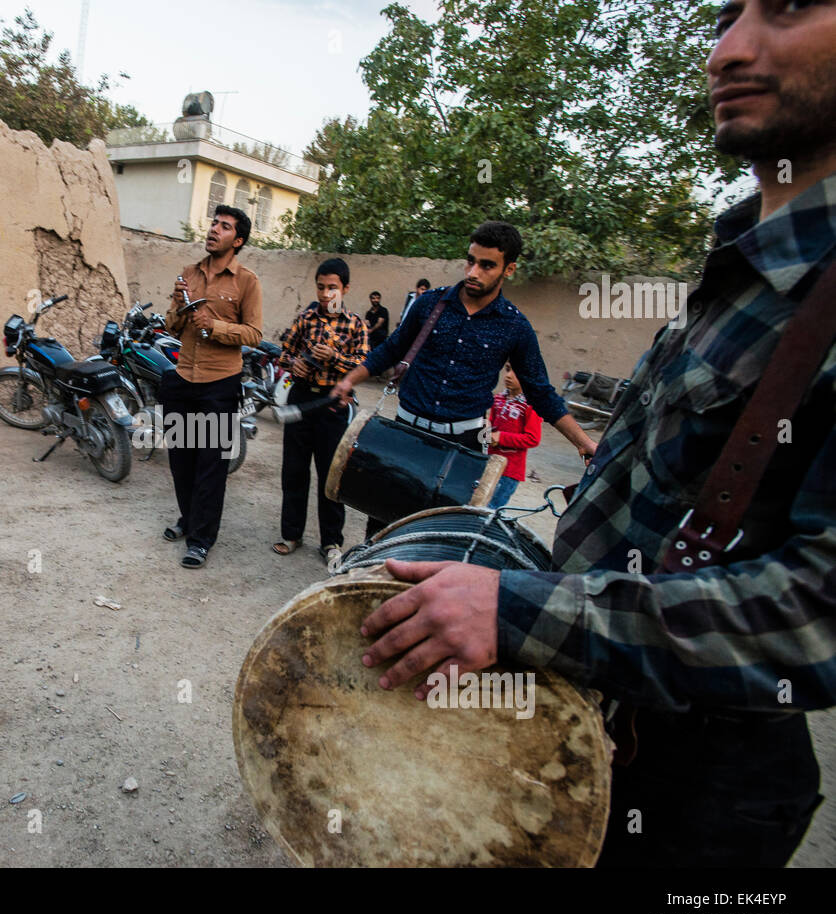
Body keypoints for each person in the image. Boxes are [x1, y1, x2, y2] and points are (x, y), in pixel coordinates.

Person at [356, 0, 836, 867]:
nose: (728, 48)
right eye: (725, 15)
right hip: (598, 696)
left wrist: (521, 609)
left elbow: (818, 613)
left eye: (792, 6)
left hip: (701, 769)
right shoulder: (745, 263)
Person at [330, 222, 596, 537]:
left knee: (438, 536)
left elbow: (540, 392)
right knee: (383, 529)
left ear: (508, 269)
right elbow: (390, 350)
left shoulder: (515, 326)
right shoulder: (430, 304)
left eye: (487, 265)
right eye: (470, 260)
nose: (473, 272)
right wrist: (349, 381)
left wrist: (585, 443)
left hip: (463, 445)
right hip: (406, 433)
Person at [161, 205, 263, 568]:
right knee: (180, 461)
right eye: (213, 224)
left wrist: (214, 325)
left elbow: (253, 333)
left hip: (219, 385)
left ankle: (202, 539)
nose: (213, 230)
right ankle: (188, 520)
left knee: (210, 465)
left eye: (224, 227)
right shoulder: (189, 273)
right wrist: (176, 306)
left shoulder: (246, 281)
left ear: (237, 241)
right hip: (182, 378)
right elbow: (172, 328)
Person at [272, 258, 368, 571]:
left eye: (333, 288)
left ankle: (331, 542)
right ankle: (291, 534)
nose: (326, 294)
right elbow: (284, 351)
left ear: (346, 289)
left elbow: (364, 366)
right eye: (321, 286)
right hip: (301, 402)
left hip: (334, 407)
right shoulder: (306, 318)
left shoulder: (356, 324)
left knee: (331, 476)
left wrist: (336, 357)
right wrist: (294, 362)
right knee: (294, 472)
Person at [485, 362, 542, 509]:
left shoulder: (531, 405)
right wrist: (486, 433)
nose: (509, 376)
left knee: (491, 510)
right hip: (488, 463)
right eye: (508, 370)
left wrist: (501, 438)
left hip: (509, 471)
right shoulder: (498, 399)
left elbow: (533, 438)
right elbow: (491, 425)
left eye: (516, 372)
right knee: (476, 504)